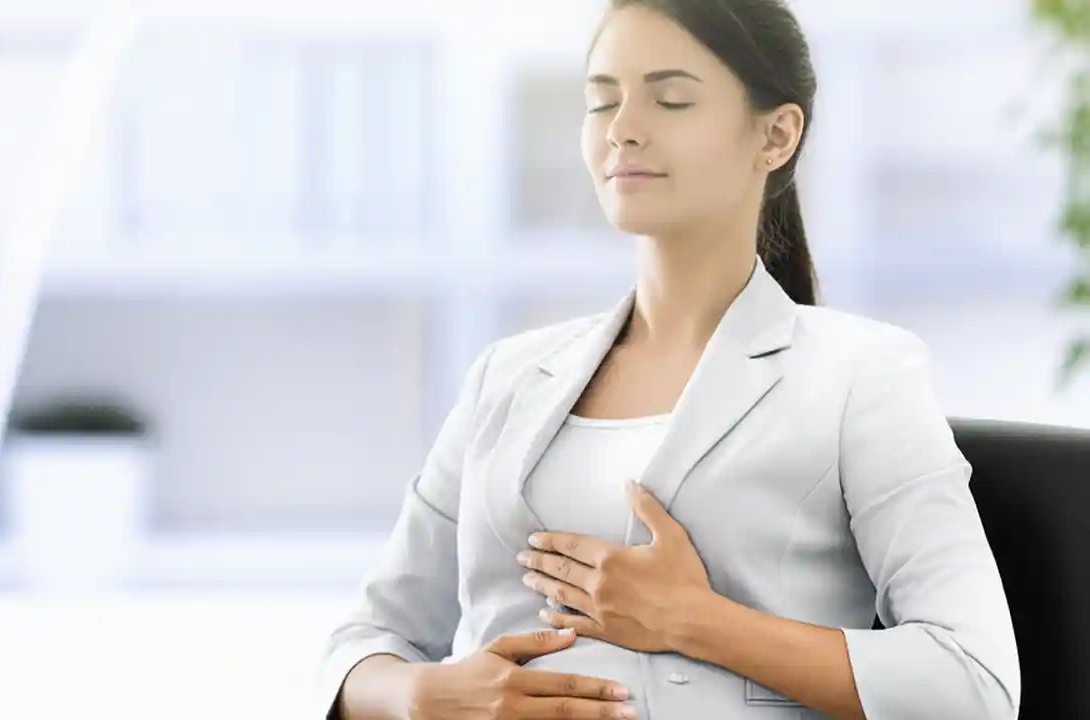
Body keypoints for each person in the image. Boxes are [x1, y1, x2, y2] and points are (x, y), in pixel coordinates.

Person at [315, 1, 1021, 718]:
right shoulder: (507, 376)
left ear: (775, 136)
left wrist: (694, 619)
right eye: (601, 101)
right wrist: (422, 695)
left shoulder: (860, 373)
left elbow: (973, 681)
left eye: (671, 98)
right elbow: (371, 637)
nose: (623, 127)